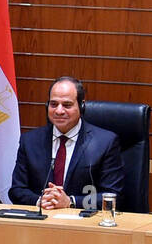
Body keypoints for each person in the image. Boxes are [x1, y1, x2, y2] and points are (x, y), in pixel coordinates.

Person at [7, 76, 124, 211]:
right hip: (40, 222)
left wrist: (71, 201)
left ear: (82, 106)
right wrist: (40, 200)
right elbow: (16, 190)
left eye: (67, 105)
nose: (59, 111)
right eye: (54, 104)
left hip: (83, 225)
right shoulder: (29, 141)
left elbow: (114, 196)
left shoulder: (105, 142)